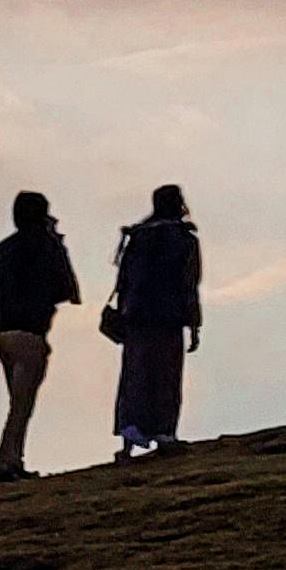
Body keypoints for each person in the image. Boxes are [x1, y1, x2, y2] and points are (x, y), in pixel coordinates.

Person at [0, 189, 79, 482]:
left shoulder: (2, 249)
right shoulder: (46, 246)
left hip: (3, 330)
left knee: (17, 402)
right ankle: (5, 462)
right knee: (21, 405)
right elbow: (68, 290)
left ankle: (13, 460)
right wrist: (58, 244)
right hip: (31, 331)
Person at [108, 183, 202, 456]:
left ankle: (128, 439)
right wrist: (195, 324)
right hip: (169, 316)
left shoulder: (136, 236)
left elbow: (123, 281)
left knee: (135, 377)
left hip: (135, 316)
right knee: (166, 377)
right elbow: (189, 284)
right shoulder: (184, 238)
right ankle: (165, 434)